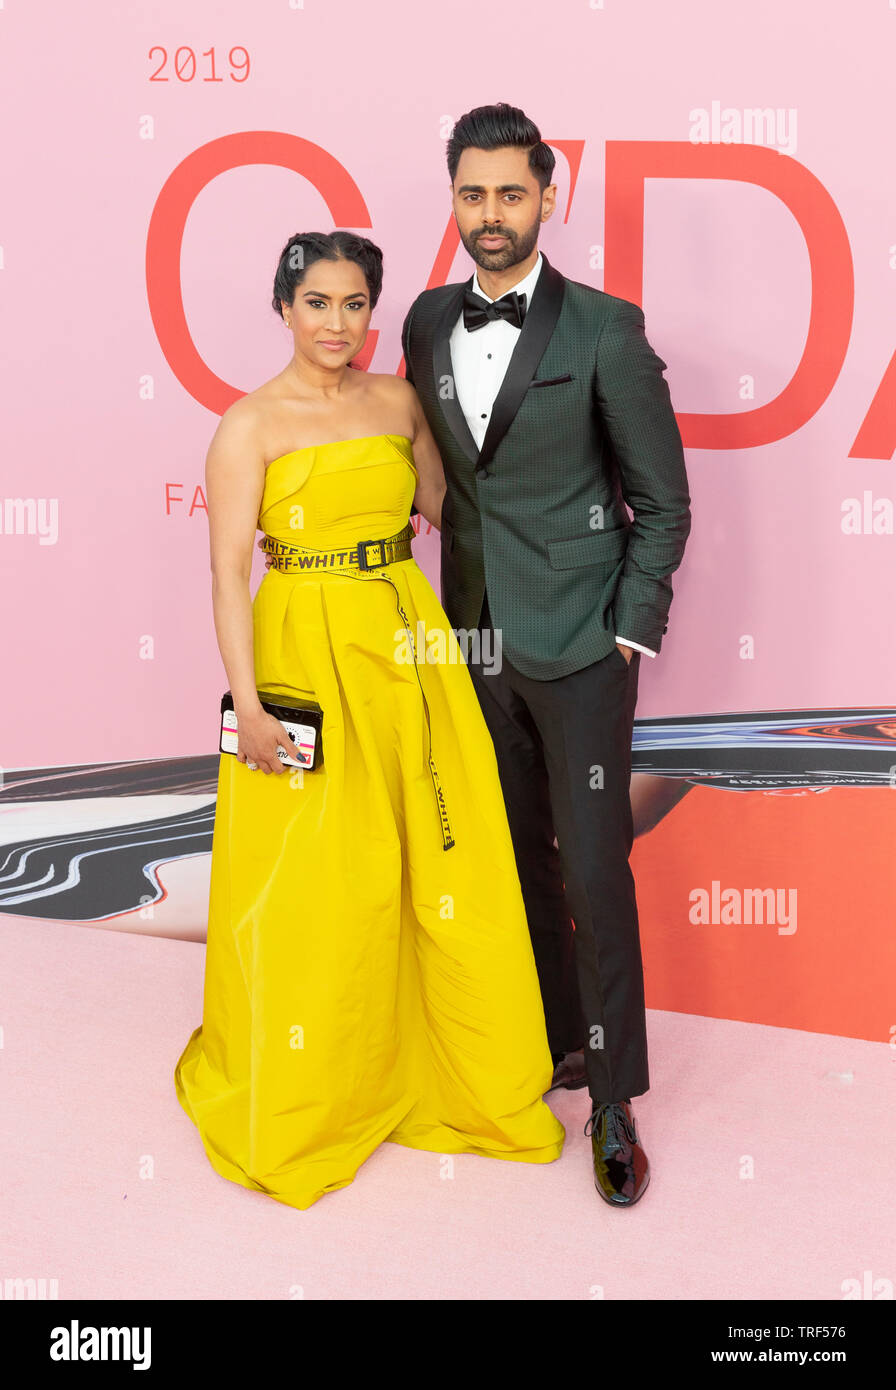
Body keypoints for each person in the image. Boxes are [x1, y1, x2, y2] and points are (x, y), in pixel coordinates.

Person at [174, 230, 565, 1211]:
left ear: (372, 313)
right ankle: (317, 1086)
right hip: (302, 647)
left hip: (406, 643)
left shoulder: (396, 402)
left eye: (353, 304)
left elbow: (444, 506)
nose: (336, 323)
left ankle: (441, 1066)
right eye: (317, 303)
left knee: (437, 854)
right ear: (284, 308)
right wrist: (250, 703)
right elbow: (226, 572)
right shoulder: (247, 426)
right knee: (320, 876)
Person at [400, 103, 691, 1207]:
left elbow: (661, 502)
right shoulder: (424, 323)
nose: (489, 215)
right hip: (472, 636)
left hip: (579, 646)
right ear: (454, 200)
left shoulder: (606, 330)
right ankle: (555, 1043)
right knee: (511, 855)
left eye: (509, 193)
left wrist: (629, 628)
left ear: (546, 194)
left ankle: (614, 1097)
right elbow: (442, 478)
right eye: (471, 194)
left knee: (590, 866)